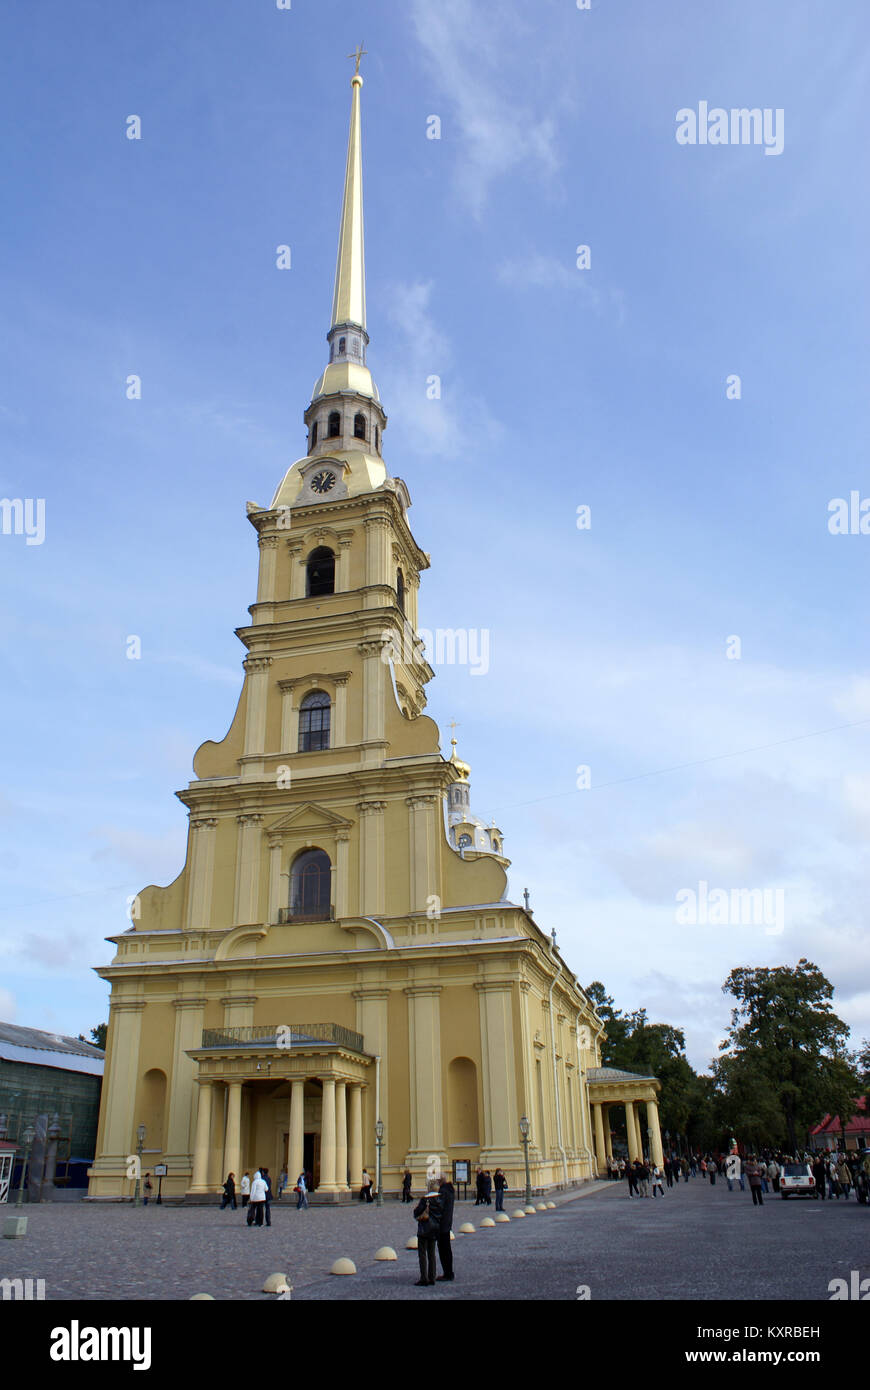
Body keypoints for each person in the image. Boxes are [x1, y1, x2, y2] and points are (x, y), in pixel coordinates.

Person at [413, 1185, 442, 1286]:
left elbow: (417, 1212)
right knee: (432, 1254)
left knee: (422, 1254)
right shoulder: (440, 1199)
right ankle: (432, 1277)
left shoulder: (425, 1200)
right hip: (435, 1229)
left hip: (424, 1229)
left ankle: (424, 1278)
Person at [436, 1175, 455, 1281]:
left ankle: (447, 1273)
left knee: (443, 1250)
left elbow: (439, 1207)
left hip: (442, 1224)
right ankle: (449, 1272)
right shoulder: (450, 1190)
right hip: (447, 1223)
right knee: (447, 1249)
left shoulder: (443, 1191)